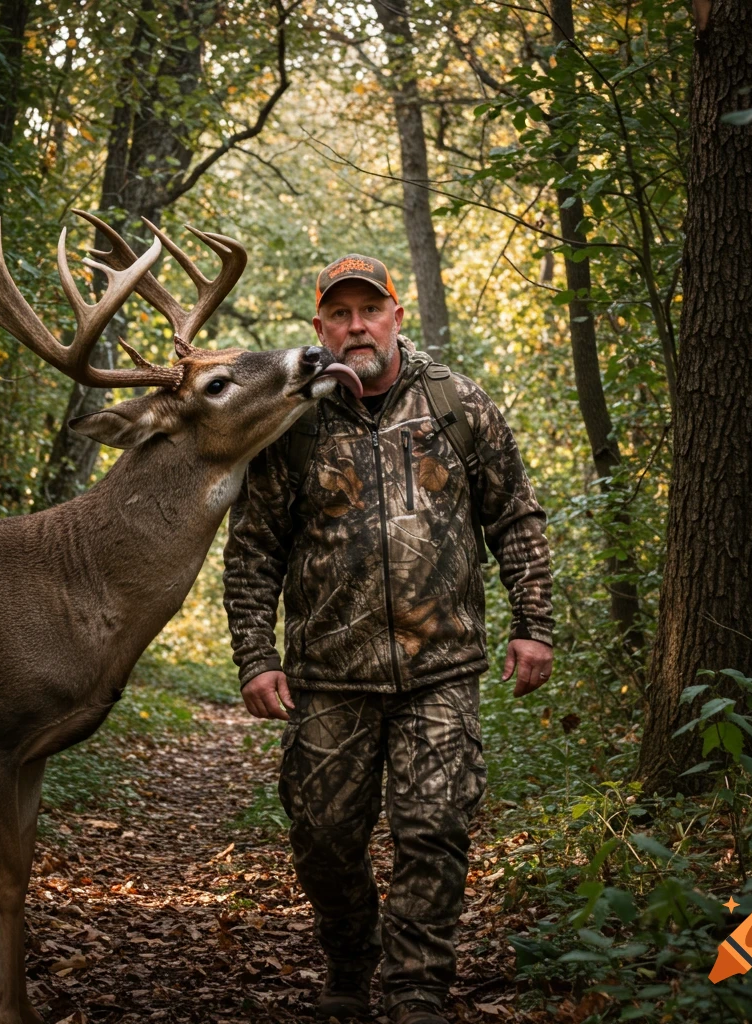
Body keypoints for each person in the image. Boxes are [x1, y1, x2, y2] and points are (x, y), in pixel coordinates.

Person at [222, 253, 554, 1024]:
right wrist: (255, 656)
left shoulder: (456, 402)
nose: (356, 325)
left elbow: (515, 516)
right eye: (339, 314)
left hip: (441, 668)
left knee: (434, 829)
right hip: (329, 676)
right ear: (319, 329)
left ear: (397, 316)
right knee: (323, 838)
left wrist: (533, 625)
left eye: (369, 310)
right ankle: (350, 953)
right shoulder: (293, 422)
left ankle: (416, 990)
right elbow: (254, 549)